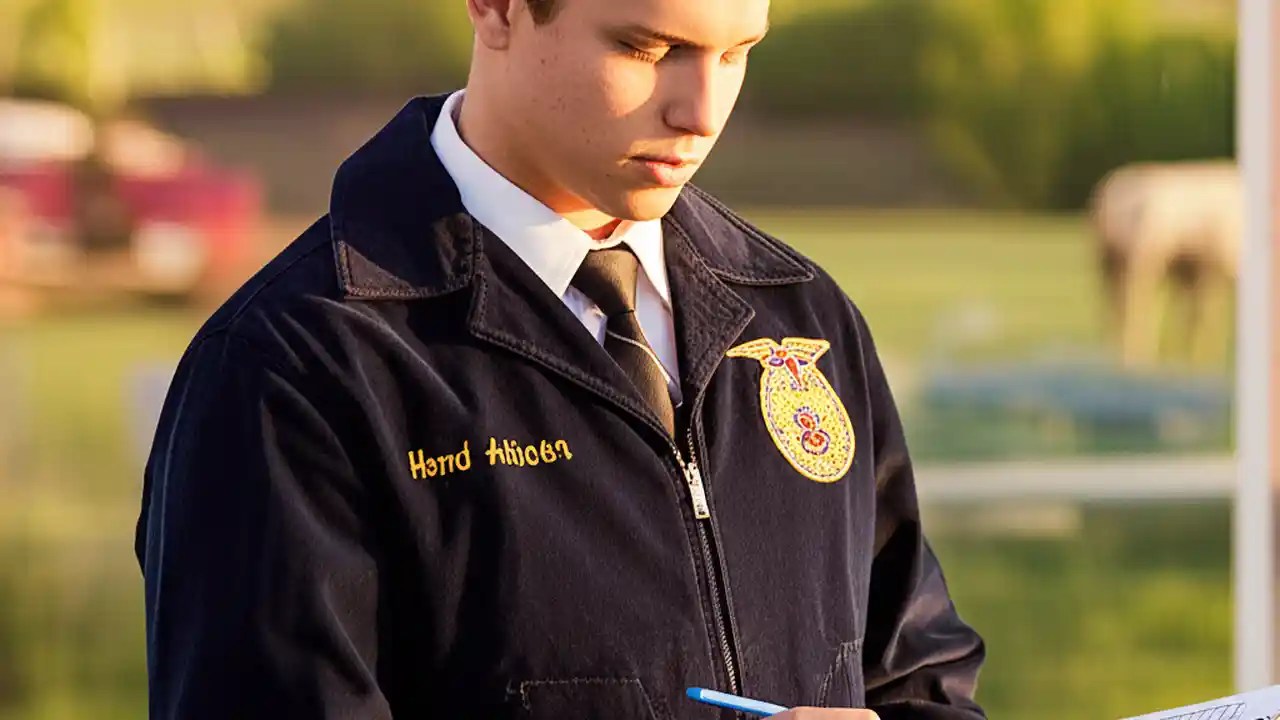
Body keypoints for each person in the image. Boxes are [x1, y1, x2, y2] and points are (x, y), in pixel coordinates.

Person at [134, 0, 987, 717]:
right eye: (648, 49)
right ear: (498, 8)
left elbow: (920, 680)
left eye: (736, 54)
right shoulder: (290, 366)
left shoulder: (805, 317)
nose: (702, 112)